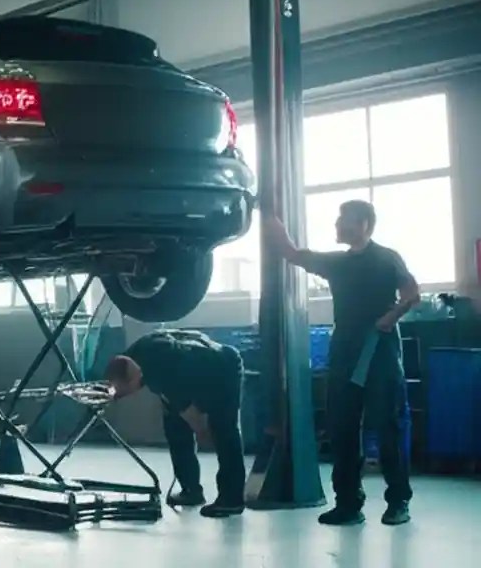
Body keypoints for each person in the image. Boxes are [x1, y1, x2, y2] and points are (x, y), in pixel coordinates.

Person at [267, 200, 419, 527]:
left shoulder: (386, 258)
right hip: (345, 353)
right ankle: (349, 504)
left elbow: (411, 293)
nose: (337, 225)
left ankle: (398, 503)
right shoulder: (335, 263)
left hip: (379, 352)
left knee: (387, 426)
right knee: (343, 429)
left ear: (363, 223)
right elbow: (292, 253)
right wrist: (268, 212)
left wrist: (391, 316)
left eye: (344, 220)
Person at [105, 329, 246, 518]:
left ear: (137, 375)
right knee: (174, 427)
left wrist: (205, 433)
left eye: (127, 389)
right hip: (193, 368)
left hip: (222, 368)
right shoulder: (132, 355)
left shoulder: (160, 371)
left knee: (224, 430)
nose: (126, 394)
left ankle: (232, 500)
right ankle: (191, 490)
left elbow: (195, 420)